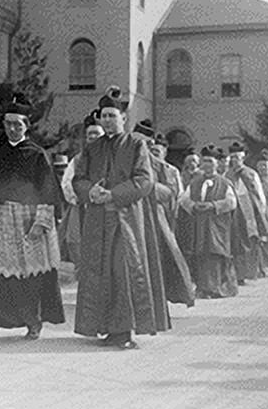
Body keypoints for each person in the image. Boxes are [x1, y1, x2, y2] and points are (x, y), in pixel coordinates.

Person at [73, 86, 166, 350]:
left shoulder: (136, 145)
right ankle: (105, 328)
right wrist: (90, 191)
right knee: (98, 273)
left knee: (122, 271)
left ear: (123, 118)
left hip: (125, 221)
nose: (108, 121)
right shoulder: (93, 148)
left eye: (113, 116)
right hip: (97, 221)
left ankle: (124, 331)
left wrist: (112, 194)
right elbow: (79, 179)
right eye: (104, 116)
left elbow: (144, 180)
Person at [0, 95, 65, 343]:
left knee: (30, 277)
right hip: (2, 221)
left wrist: (41, 223)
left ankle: (33, 322)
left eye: (17, 124)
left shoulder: (37, 154)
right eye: (8, 124)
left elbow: (48, 192)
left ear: (26, 126)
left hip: (29, 221)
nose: (12, 129)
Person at [133, 120, 195, 309]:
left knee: (155, 258)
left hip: (153, 218)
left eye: (142, 143)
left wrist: (146, 188)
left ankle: (153, 300)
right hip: (127, 214)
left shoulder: (160, 167)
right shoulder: (123, 160)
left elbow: (170, 192)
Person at [179, 146, 239, 298]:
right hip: (199, 224)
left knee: (215, 254)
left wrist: (213, 206)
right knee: (200, 254)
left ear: (217, 164)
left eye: (210, 162)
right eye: (204, 161)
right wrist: (194, 205)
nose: (207, 165)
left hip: (217, 226)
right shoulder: (195, 182)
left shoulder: (224, 183)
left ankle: (216, 288)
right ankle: (202, 288)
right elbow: (184, 199)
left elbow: (231, 202)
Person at [59, 110, 104, 271]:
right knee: (75, 239)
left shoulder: (112, 158)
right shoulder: (78, 159)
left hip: (105, 206)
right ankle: (82, 268)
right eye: (89, 135)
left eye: (96, 134)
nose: (93, 137)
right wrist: (77, 198)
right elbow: (67, 182)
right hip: (81, 207)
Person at [223, 141, 267, 284]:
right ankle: (237, 275)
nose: (235, 160)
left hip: (249, 213)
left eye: (237, 157)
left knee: (250, 242)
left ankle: (249, 273)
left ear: (243, 158)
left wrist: (262, 211)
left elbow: (259, 194)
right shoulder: (226, 175)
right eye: (233, 158)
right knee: (236, 243)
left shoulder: (251, 173)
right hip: (234, 214)